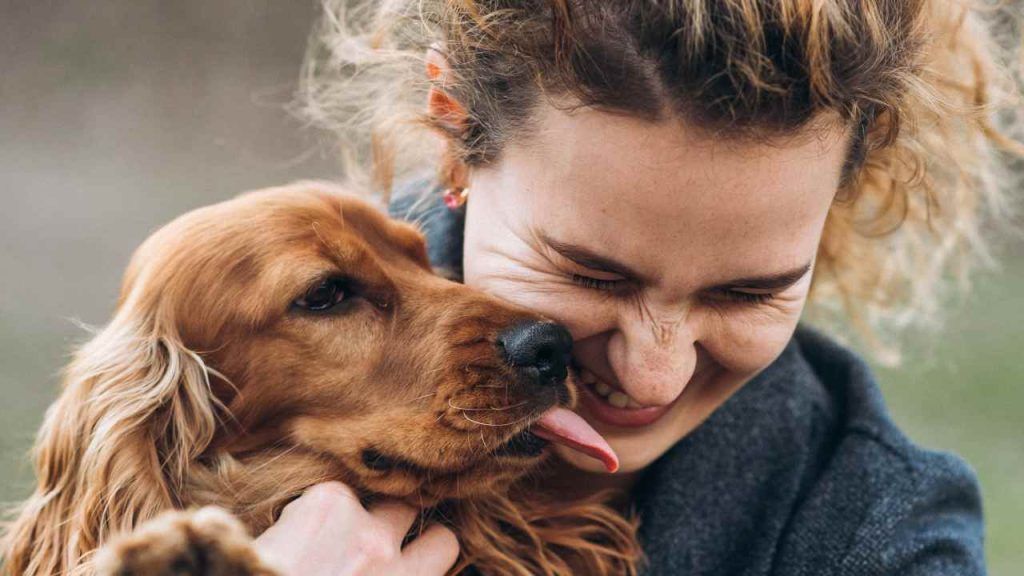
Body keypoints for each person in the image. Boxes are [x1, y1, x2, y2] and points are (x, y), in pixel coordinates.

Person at [255, 1, 1023, 574]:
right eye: (590, 274)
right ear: (454, 131)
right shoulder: (220, 344)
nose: (652, 375)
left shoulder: (881, 537)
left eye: (746, 294)